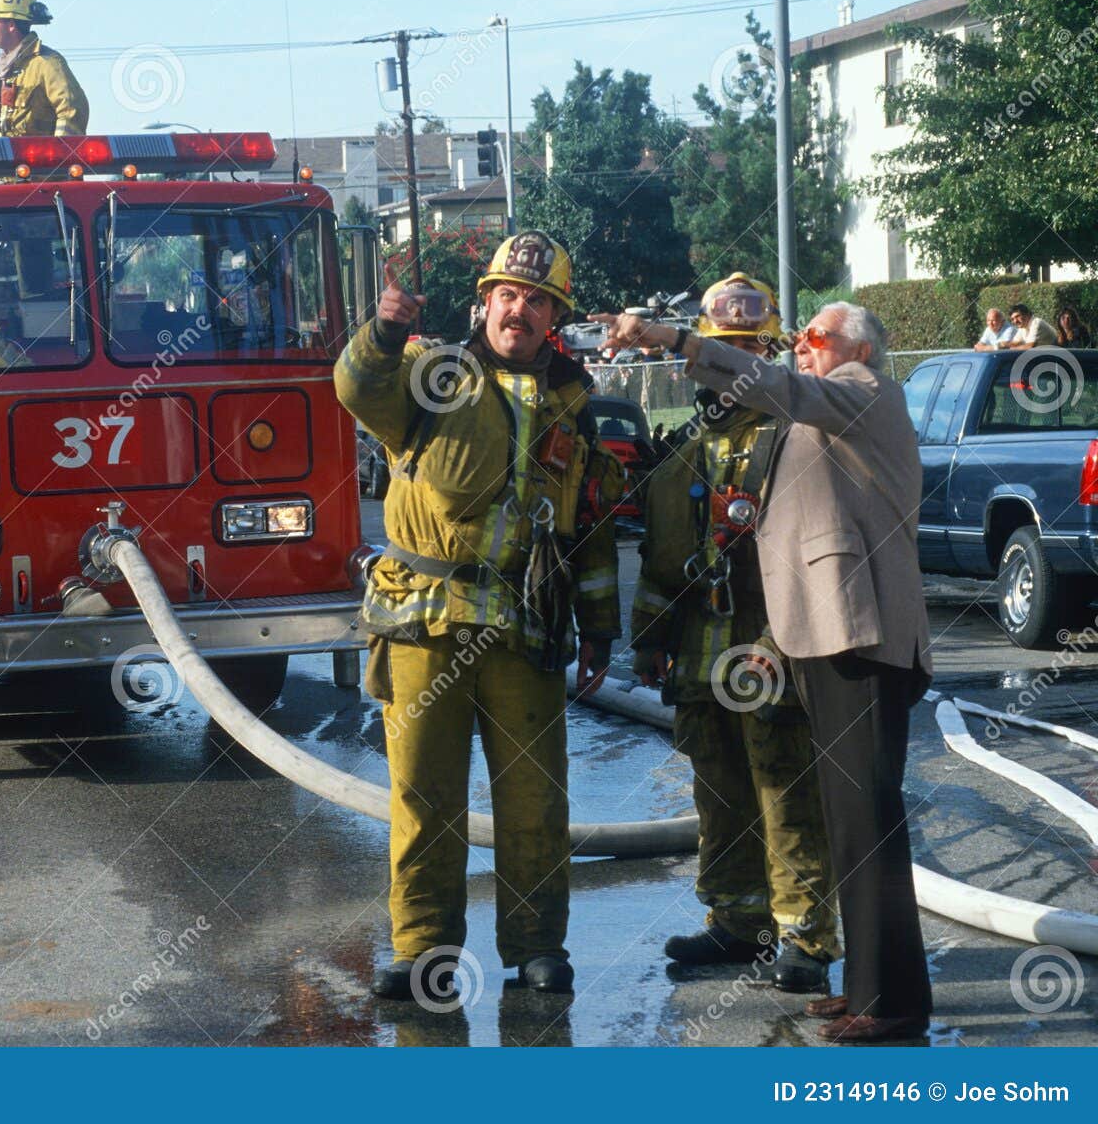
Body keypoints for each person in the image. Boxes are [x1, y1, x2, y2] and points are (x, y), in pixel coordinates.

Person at [593, 300, 933, 1043]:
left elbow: (783, 387)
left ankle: (898, 1005)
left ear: (860, 351)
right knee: (850, 822)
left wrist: (674, 339)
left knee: (870, 823)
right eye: (802, 338)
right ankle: (869, 987)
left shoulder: (864, 390)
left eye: (818, 338)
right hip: (825, 635)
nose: (803, 348)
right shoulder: (823, 410)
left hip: (863, 633)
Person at [336, 232, 624, 1001]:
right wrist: (385, 331)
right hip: (425, 618)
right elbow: (359, 390)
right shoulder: (435, 373)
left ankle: (536, 947)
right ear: (484, 303)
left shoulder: (575, 403)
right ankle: (422, 947)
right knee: (425, 797)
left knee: (535, 801)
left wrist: (599, 630)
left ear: (553, 316)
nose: (519, 311)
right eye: (507, 296)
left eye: (536, 301)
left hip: (525, 627)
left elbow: (589, 529)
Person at [631, 273, 840, 993]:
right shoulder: (687, 449)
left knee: (784, 786)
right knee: (717, 790)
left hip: (772, 645)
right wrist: (647, 638)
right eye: (724, 348)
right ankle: (736, 922)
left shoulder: (800, 437)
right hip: (698, 647)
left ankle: (805, 938)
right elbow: (660, 558)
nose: (735, 363)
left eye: (752, 349)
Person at [0, 0, 89, 139]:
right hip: (12, 161)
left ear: (11, 25)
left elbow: (72, 111)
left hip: (42, 162)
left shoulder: (46, 64)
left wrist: (60, 156)